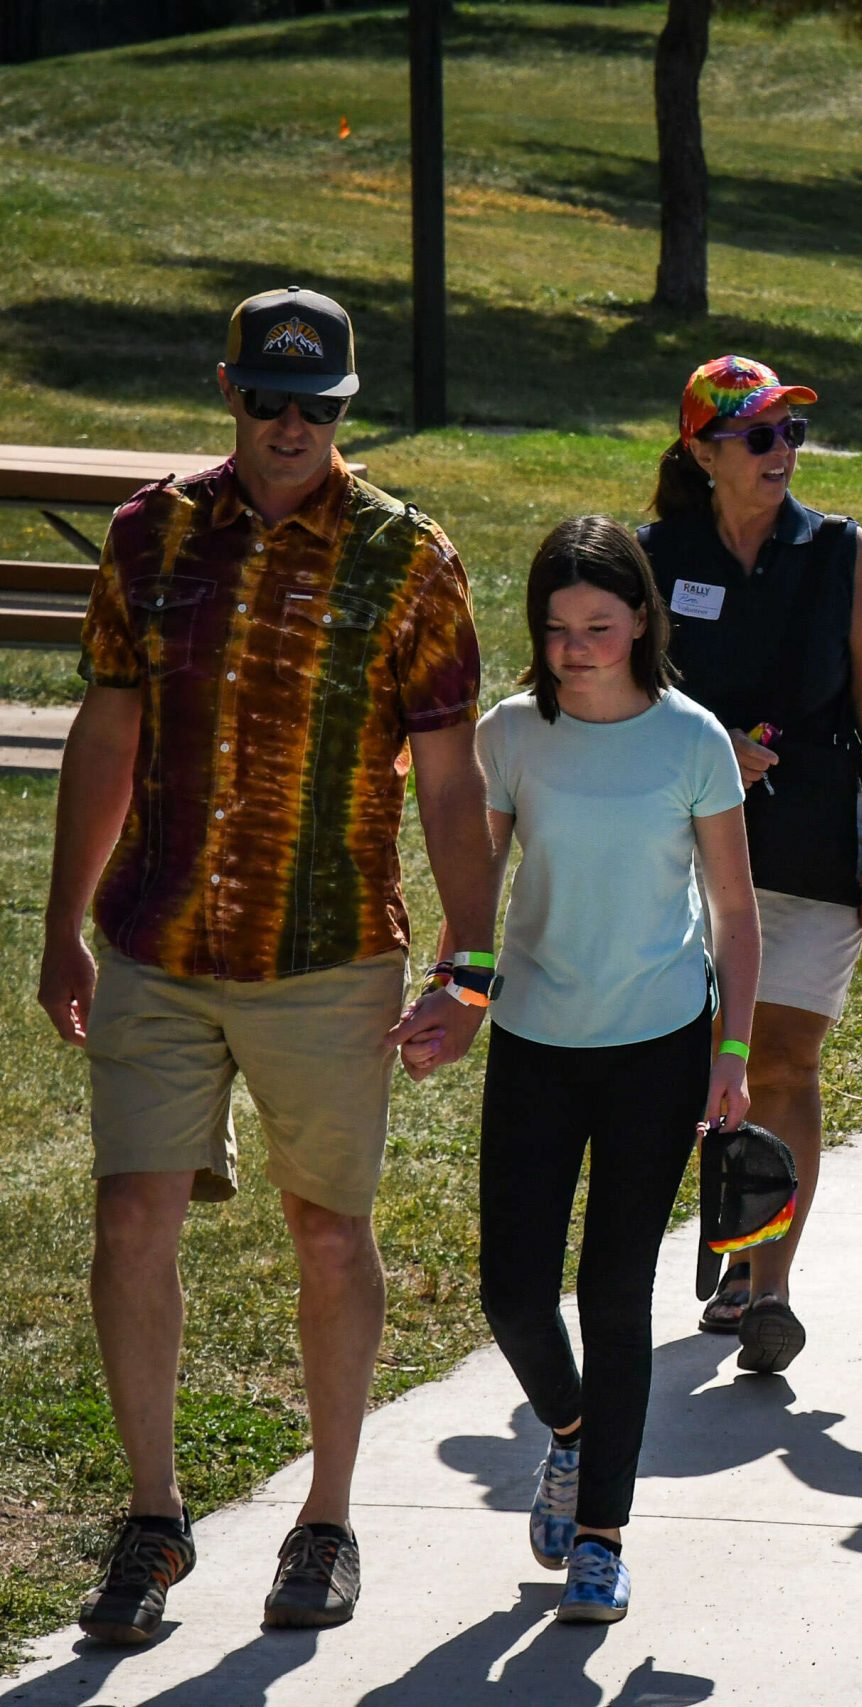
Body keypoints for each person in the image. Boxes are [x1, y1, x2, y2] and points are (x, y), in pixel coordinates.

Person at [41, 288, 496, 1642]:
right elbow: (107, 733)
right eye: (267, 399)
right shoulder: (152, 532)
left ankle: (328, 1515)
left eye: (319, 406)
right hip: (159, 940)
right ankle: (152, 1516)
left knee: (327, 1227)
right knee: (132, 1215)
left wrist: (471, 966)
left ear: (347, 410)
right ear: (227, 389)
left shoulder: (408, 558)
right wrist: (61, 923)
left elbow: (455, 782)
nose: (290, 427)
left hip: (327, 950)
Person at [464, 516, 757, 1625]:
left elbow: (734, 913)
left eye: (599, 625)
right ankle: (573, 1433)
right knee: (512, 1295)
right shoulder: (510, 738)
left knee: (613, 1290)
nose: (578, 647)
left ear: (643, 621)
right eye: (556, 629)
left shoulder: (691, 739)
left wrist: (731, 1054)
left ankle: (601, 1534)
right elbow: (476, 894)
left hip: (660, 1047)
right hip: (537, 1041)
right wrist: (458, 990)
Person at [640, 356, 862, 1373]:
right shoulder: (650, 558)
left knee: (785, 1060)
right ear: (703, 452)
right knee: (681, 1069)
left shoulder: (839, 553)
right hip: (669, 862)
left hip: (805, 853)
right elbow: (599, 697)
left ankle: (765, 1287)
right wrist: (705, 743)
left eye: (790, 433)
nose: (781, 453)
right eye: (757, 436)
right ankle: (706, 1248)